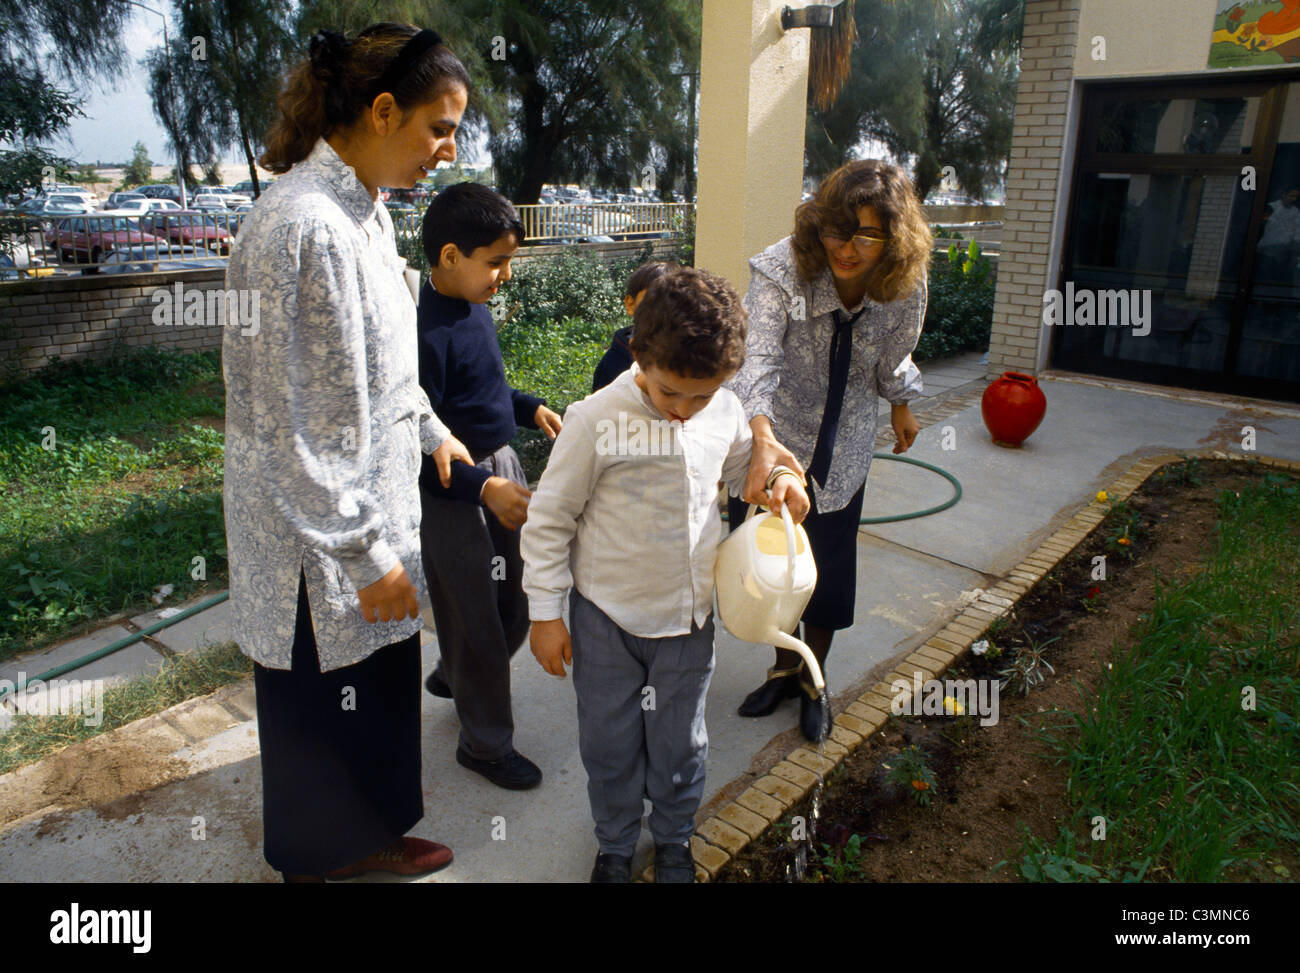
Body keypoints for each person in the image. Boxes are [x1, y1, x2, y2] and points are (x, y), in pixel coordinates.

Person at [223, 23, 473, 882]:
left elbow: (387, 370)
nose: (449, 149)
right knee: (320, 714)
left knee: (373, 697)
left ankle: (371, 837)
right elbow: (288, 428)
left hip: (370, 522)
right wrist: (367, 554)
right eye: (439, 127)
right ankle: (322, 860)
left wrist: (436, 437)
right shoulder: (304, 226)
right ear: (380, 109)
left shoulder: (364, 213)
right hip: (317, 546)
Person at [520, 268, 811, 883]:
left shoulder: (724, 409)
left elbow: (741, 469)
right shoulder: (596, 417)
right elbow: (549, 518)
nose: (682, 412)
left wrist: (781, 481)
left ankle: (674, 838)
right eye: (667, 393)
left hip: (688, 618)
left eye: (698, 398)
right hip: (606, 618)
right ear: (638, 354)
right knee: (610, 742)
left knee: (681, 743)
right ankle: (617, 845)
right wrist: (545, 612)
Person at [726, 159, 932, 742]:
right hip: (778, 436)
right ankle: (782, 669)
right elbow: (756, 358)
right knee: (772, 567)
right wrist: (762, 441)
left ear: (892, 240)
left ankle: (815, 684)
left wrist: (899, 401)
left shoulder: (903, 281)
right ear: (818, 226)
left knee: (829, 572)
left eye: (868, 235)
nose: (848, 249)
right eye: (838, 231)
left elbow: (893, 356)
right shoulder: (780, 270)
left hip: (846, 445)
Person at [415, 181, 563, 790]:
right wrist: (482, 488)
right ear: (450, 256)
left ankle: (457, 672)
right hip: (456, 492)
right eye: (495, 262)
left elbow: (485, 388)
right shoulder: (419, 334)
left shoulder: (474, 305)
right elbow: (419, 442)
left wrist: (528, 408)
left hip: (501, 471)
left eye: (508, 262)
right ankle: (484, 743)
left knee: (521, 599)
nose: (504, 275)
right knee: (474, 616)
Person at [591, 260, 679, 391]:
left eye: (673, 301)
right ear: (630, 304)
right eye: (652, 300)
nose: (662, 310)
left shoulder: (686, 355)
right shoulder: (615, 363)